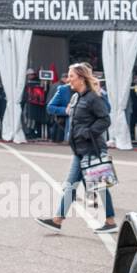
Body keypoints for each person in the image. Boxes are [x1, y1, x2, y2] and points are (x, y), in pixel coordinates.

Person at [36, 62, 116, 233]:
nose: (68, 80)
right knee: (71, 185)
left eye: (71, 76)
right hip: (79, 151)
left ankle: (110, 222)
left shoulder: (94, 98)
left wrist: (87, 133)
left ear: (80, 78)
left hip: (92, 149)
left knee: (99, 187)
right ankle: (57, 220)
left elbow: (105, 120)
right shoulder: (77, 97)